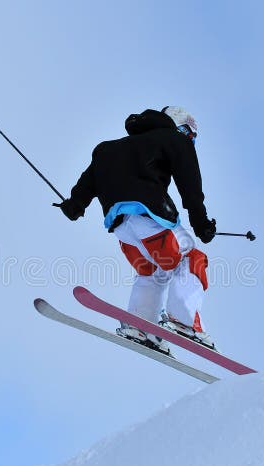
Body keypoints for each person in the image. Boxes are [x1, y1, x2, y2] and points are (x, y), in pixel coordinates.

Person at [55, 106, 217, 356]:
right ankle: (184, 321)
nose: (191, 140)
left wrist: (74, 205)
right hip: (151, 219)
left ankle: (140, 326)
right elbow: (191, 188)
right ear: (178, 127)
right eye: (190, 133)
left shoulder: (107, 148)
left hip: (122, 230)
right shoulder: (175, 140)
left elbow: (86, 186)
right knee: (192, 258)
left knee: (153, 272)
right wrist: (202, 224)